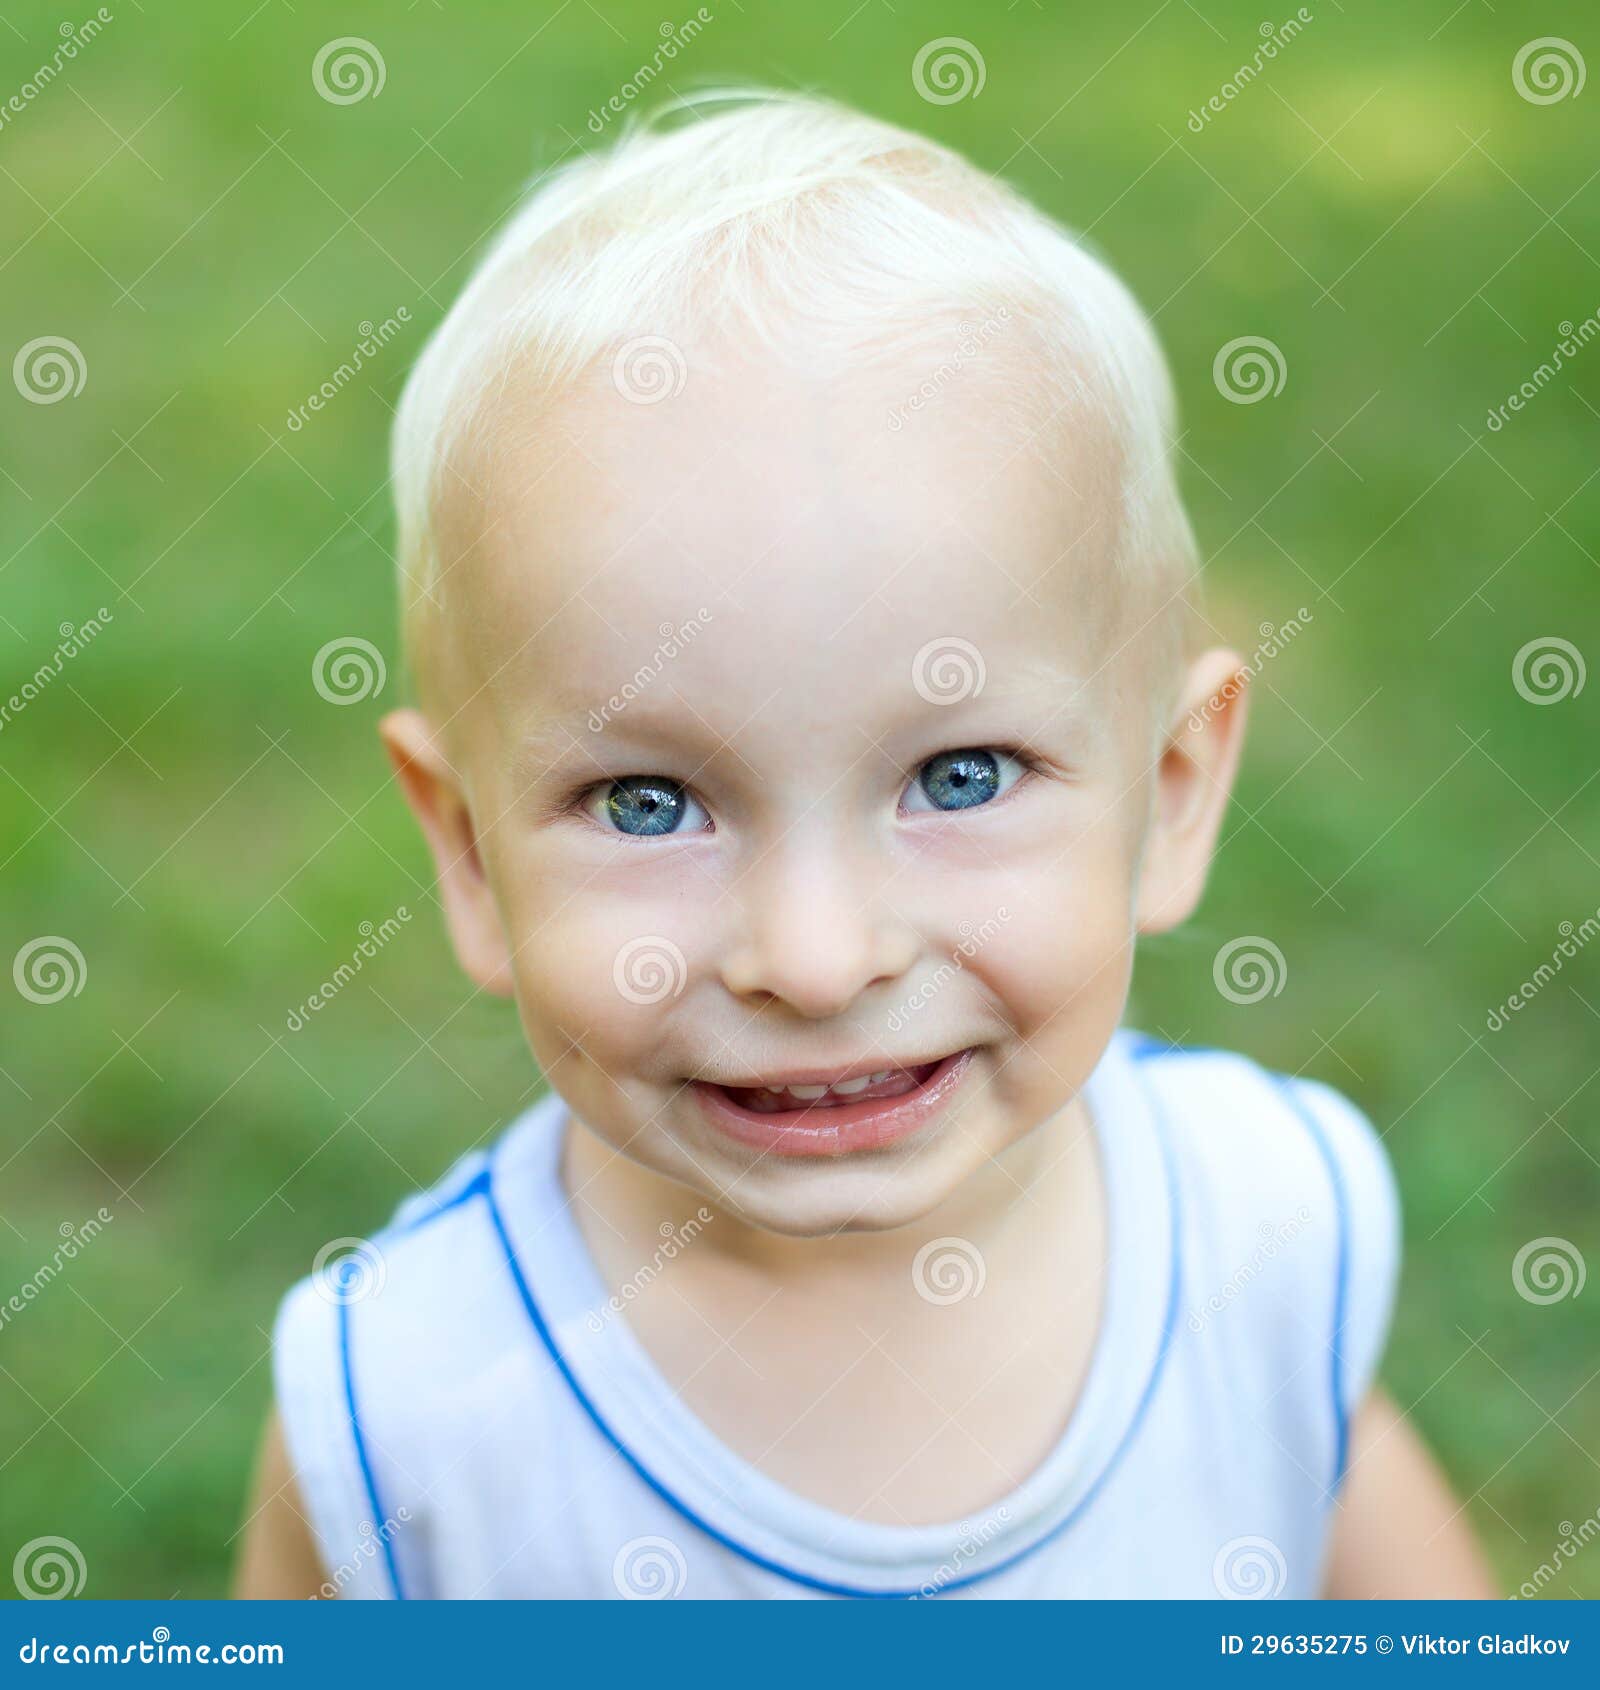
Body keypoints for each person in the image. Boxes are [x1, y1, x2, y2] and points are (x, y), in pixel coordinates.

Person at [235, 90, 1495, 1600]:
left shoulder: (1269, 1214)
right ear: (466, 852)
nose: (820, 959)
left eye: (960, 774)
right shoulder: (406, 1414)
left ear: (1168, 792)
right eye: (650, 803)